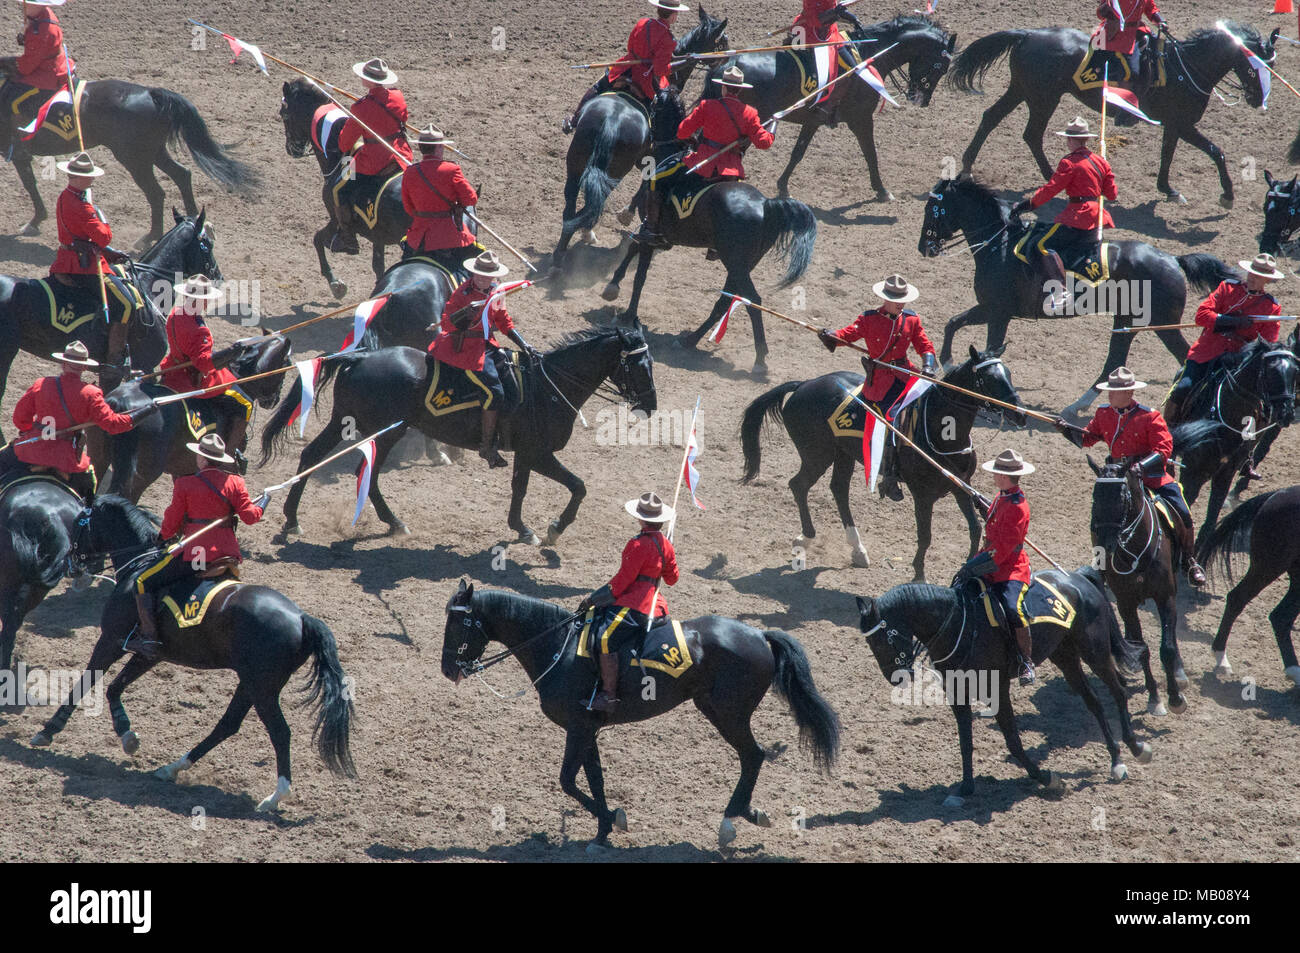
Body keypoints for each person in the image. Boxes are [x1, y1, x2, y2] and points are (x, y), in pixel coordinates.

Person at [1057, 366, 1206, 586]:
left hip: (1152, 478)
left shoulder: (1150, 416)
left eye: (1114, 391)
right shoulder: (1103, 413)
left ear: (1129, 393)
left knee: (1182, 512)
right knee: (1099, 519)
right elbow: (1088, 438)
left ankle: (1189, 560)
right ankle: (1099, 565)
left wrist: (1141, 468)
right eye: (1109, 391)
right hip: (1118, 480)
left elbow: (1163, 449)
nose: (1109, 395)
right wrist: (1066, 430)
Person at [125, 433, 267, 658]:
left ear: (201, 459)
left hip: (195, 553)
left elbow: (172, 521)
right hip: (226, 554)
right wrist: (264, 501)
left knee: (142, 581)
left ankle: (149, 637)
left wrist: (163, 537)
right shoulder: (236, 482)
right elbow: (250, 517)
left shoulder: (185, 483)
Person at [819, 274, 937, 501]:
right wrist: (831, 336)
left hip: (906, 376)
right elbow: (848, 334)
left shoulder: (911, 319)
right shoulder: (869, 319)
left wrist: (929, 365)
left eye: (902, 299)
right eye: (895, 299)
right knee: (893, 418)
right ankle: (890, 476)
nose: (900, 303)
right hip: (880, 384)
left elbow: (925, 345)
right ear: (885, 299)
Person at [635, 64, 775, 248]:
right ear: (740, 90)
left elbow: (682, 132)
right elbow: (764, 143)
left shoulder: (707, 106)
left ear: (723, 87)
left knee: (655, 178)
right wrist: (772, 129)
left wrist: (694, 137)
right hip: (731, 171)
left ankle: (651, 228)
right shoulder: (750, 113)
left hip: (702, 163)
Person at [0, 341, 155, 500]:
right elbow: (113, 425)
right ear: (84, 367)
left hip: (32, 451)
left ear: (63, 363)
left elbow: (19, 419)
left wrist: (29, 432)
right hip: (67, 460)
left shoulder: (41, 384)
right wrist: (145, 411)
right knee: (89, 492)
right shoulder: (91, 393)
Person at [427, 250, 539, 468]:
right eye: (478, 274)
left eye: (486, 276)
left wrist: (523, 343)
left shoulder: (496, 292)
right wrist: (464, 314)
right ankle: (486, 446)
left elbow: (503, 322)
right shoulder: (462, 293)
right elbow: (447, 324)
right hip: (466, 350)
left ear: (494, 277)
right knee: (494, 392)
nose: (481, 279)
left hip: (487, 346)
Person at [577, 491, 680, 712]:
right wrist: (666, 554)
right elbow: (672, 579)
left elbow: (622, 581)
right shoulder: (666, 545)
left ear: (641, 519)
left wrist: (595, 598)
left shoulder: (637, 544)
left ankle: (609, 697)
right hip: (656, 604)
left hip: (635, 605)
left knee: (605, 638)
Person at [1164, 253, 1284, 440]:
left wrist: (1246, 344)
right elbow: (1202, 315)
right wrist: (1232, 322)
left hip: (1238, 359)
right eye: (1251, 273)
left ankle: (1247, 454)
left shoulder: (1272, 308)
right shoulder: (1228, 288)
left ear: (1267, 280)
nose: (1252, 278)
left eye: (1258, 276)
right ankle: (1168, 438)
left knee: (1262, 407)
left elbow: (1267, 343)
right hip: (1207, 352)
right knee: (1182, 389)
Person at [1009, 116, 1116, 316]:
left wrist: (1028, 204)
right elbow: (1112, 194)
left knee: (1041, 244)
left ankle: (1060, 291)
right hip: (1098, 217)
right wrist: (1102, 174)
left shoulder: (1069, 162)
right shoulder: (1101, 162)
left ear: (1071, 140)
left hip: (1079, 216)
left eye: (1067, 138)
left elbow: (1051, 189)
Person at [157, 275, 254, 473]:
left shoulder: (175, 313)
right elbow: (203, 364)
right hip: (192, 380)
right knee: (245, 402)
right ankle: (228, 457)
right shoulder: (200, 329)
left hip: (173, 370)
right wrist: (230, 353)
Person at [50, 151, 133, 375]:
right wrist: (100, 217)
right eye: (89, 176)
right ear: (77, 178)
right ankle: (114, 359)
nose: (92, 179)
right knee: (126, 304)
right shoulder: (83, 206)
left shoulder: (65, 196)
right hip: (82, 267)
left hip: (68, 259)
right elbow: (104, 237)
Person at [959, 449, 1036, 685]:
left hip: (1010, 567)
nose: (994, 476)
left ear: (1003, 476)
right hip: (992, 558)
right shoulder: (1002, 496)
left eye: (996, 473)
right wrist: (985, 509)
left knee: (1013, 610)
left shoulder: (1016, 505)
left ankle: (1026, 661)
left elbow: (1003, 548)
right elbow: (996, 525)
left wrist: (975, 564)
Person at [562, 0, 688, 134]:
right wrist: (681, 63)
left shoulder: (643, 23)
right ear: (673, 15)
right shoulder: (669, 39)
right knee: (662, 105)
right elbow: (659, 70)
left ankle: (574, 120)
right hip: (645, 79)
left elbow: (630, 47)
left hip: (626, 66)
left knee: (598, 86)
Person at [333, 57, 413, 254]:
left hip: (375, 162)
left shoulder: (361, 107)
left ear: (367, 80)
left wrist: (358, 112)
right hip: (401, 154)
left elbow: (345, 143)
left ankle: (347, 237)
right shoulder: (398, 96)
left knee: (339, 188)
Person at [399, 124, 484, 273]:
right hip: (448, 237)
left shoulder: (410, 172)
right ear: (438, 148)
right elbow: (471, 199)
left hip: (419, 238)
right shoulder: (451, 170)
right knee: (480, 269)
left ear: (420, 148)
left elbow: (408, 208)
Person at [0, 0, 73, 160]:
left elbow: (26, 67)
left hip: (47, 76)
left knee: (10, 101)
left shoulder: (38, 30)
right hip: (52, 65)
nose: (23, 6)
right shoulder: (43, 16)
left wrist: (7, 62)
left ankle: (14, 145)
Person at [790, 0, 865, 124]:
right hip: (811, 33)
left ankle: (833, 104)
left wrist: (850, 17)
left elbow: (835, 10)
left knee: (852, 69)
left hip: (831, 34)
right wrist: (836, 12)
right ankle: (825, 108)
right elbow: (815, 18)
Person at [1093, 0, 1166, 99]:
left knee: (1157, 48)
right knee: (1130, 71)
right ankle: (1125, 99)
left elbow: (1150, 8)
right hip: (1117, 34)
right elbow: (1100, 14)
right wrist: (1108, 9)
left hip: (1137, 31)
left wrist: (1160, 21)